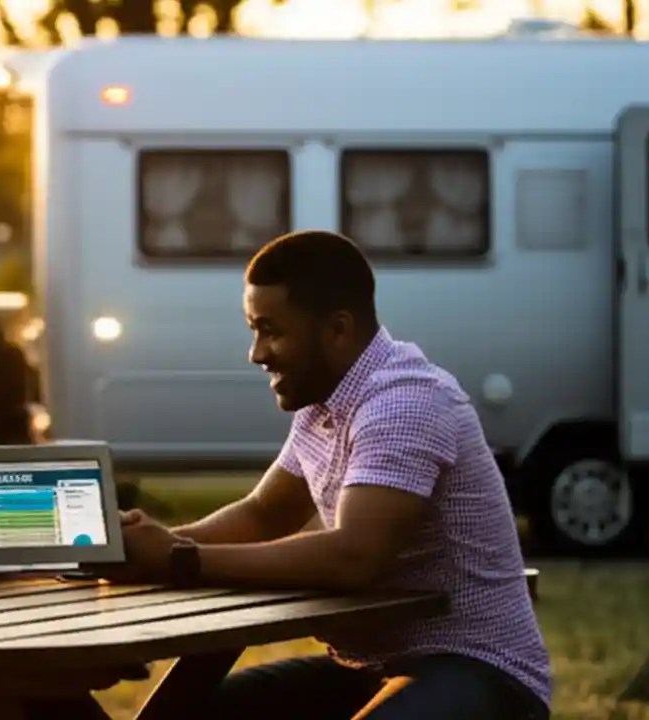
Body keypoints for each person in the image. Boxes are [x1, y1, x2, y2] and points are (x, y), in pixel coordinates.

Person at [101, 230, 552, 719]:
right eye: (254, 329)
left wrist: (180, 559)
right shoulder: (324, 404)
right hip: (370, 667)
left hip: (478, 669)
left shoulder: (405, 402)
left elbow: (355, 556)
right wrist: (156, 547)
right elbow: (264, 513)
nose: (256, 352)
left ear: (337, 330)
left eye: (270, 330)